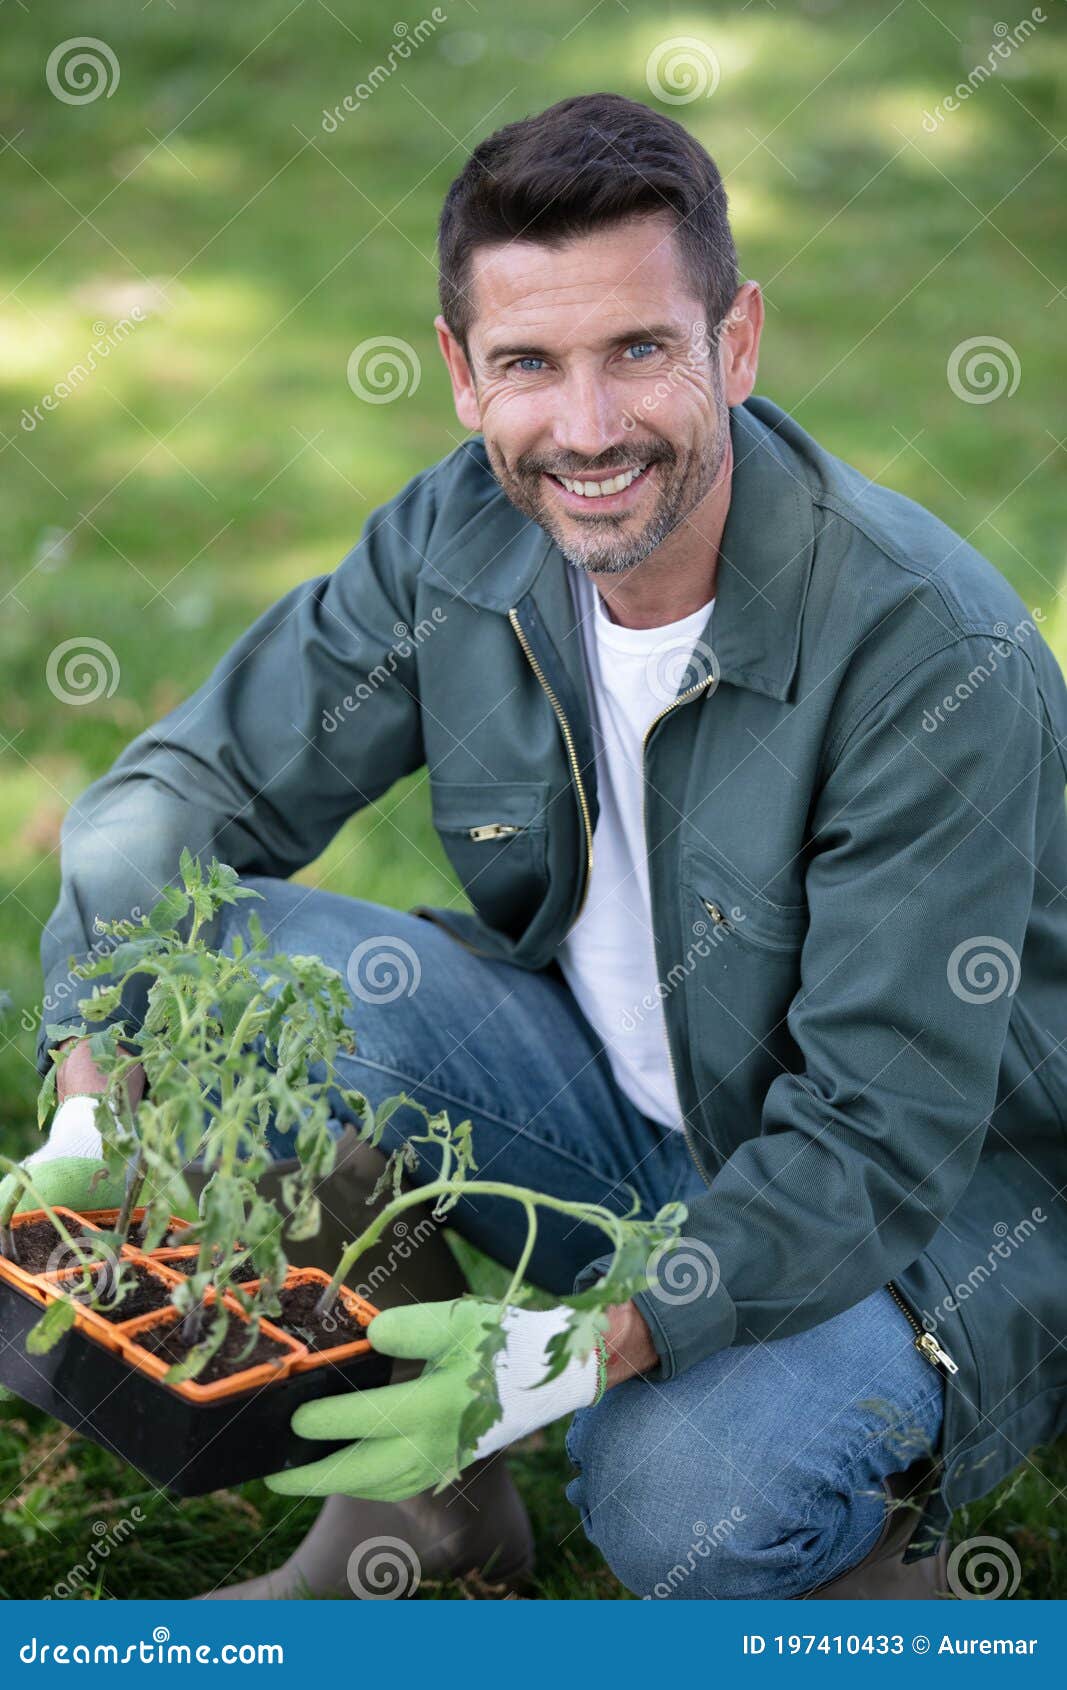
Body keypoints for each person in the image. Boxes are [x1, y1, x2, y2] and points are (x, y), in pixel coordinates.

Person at [20, 92, 1067, 1600]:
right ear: (461, 372)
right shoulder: (464, 541)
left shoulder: (924, 650)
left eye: (640, 348)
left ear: (739, 341)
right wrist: (84, 1093)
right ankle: (417, 1524)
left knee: (680, 1496)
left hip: (921, 1213)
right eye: (530, 363)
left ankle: (878, 1587)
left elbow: (879, 1132)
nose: (586, 432)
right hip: (624, 1118)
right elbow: (180, 796)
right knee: (228, 988)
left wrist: (590, 1345)